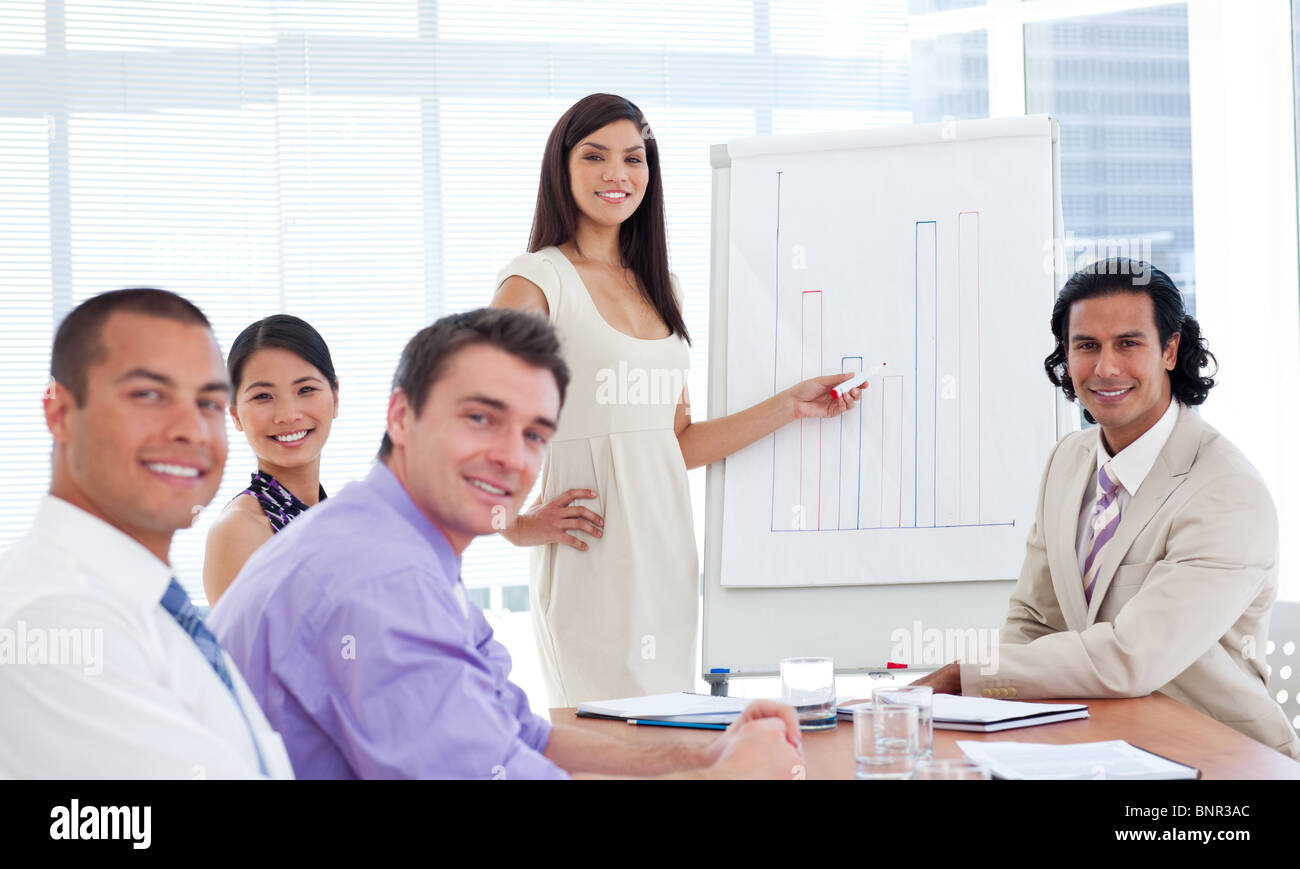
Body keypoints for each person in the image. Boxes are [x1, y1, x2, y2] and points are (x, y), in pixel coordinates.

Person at [209, 308, 804, 779]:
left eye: (535, 433)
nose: (510, 457)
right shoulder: (378, 580)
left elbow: (519, 732)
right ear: (401, 416)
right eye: (480, 418)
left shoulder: (394, 539)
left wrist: (708, 755)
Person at [492, 93, 862, 706]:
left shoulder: (663, 288)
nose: (618, 174)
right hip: (590, 560)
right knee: (606, 749)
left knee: (667, 745)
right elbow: (469, 424)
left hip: (665, 559)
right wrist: (515, 524)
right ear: (562, 168)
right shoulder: (535, 282)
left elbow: (677, 442)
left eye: (634, 159)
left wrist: (789, 405)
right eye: (596, 156)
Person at [913, 259, 1300, 759]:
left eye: (1128, 343)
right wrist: (1003, 718)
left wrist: (966, 676)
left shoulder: (1227, 492)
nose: (1106, 368)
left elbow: (1131, 657)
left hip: (1218, 757)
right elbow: (1035, 617)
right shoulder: (1068, 460)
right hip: (1099, 745)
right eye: (1087, 346)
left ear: (1170, 349)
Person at [0, 288, 294, 778]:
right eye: (149, 395)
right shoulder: (53, 618)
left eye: (208, 402)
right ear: (59, 413)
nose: (191, 430)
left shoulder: (147, 604)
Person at [203, 314, 339, 606]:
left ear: (335, 398)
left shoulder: (335, 518)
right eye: (263, 396)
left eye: (305, 390)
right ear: (236, 414)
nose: (288, 415)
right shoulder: (240, 531)